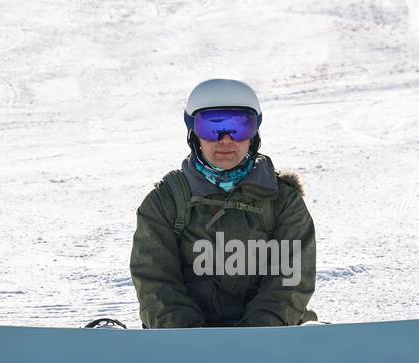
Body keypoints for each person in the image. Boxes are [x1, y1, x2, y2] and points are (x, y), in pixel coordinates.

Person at [129, 78, 318, 328]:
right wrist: (190, 341)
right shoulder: (165, 202)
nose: (226, 140)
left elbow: (290, 282)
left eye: (240, 127)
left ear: (254, 134)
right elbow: (156, 284)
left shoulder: (282, 200)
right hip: (187, 344)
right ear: (194, 134)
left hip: (270, 340)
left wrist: (256, 338)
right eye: (212, 127)